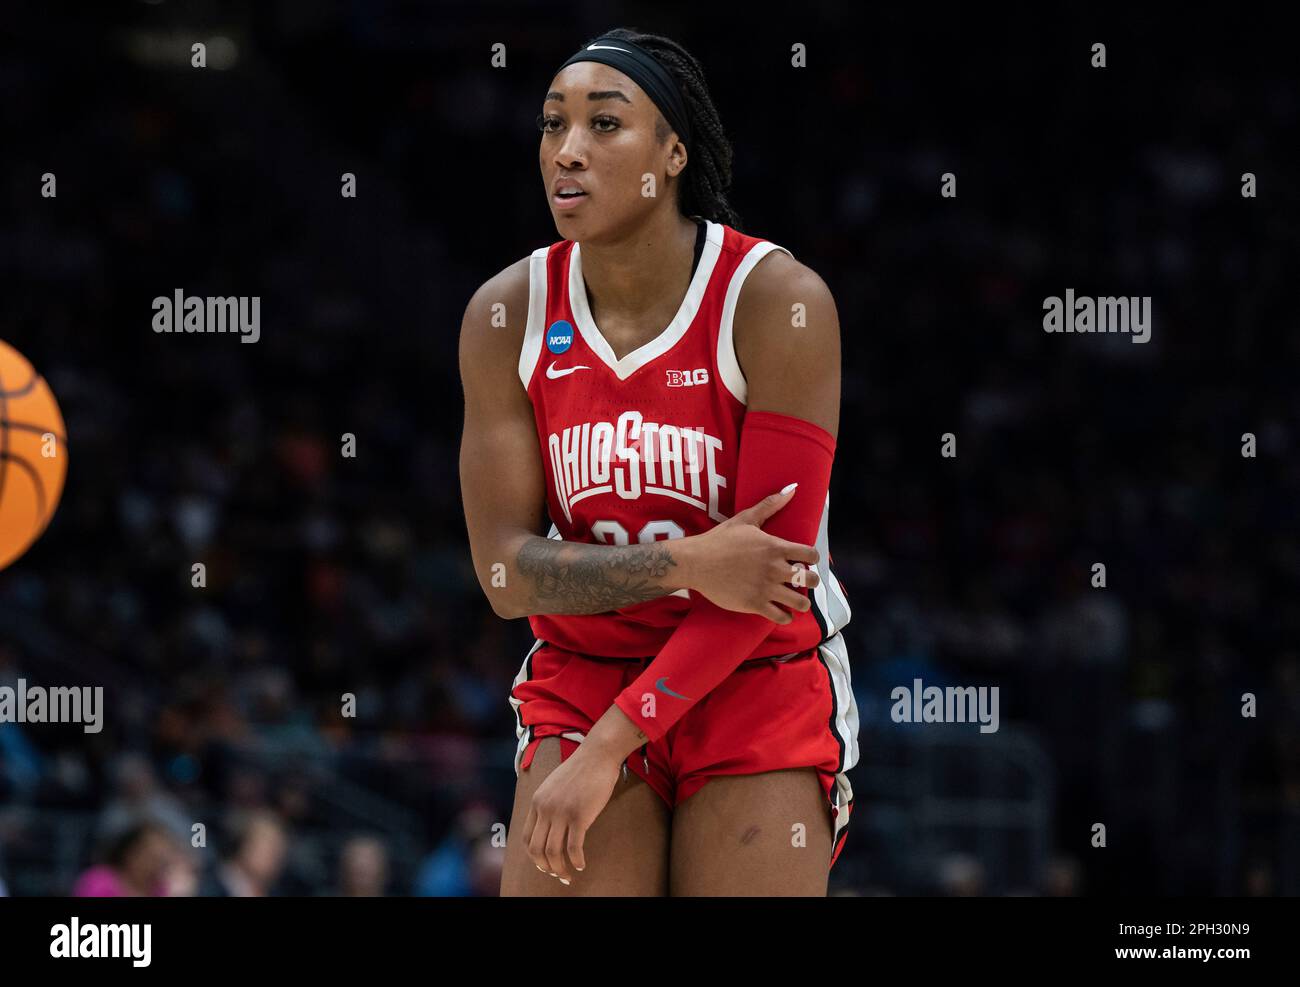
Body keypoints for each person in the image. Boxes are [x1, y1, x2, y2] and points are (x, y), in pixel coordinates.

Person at [459, 28, 857, 896]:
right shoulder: (505, 315)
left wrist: (613, 743)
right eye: (552, 124)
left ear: (672, 154)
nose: (567, 150)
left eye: (605, 125)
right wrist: (685, 563)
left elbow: (766, 582)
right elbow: (503, 573)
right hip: (585, 669)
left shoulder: (778, 302)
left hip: (757, 671)